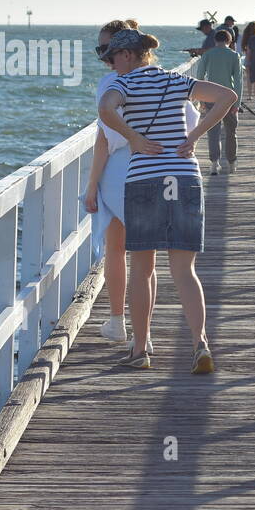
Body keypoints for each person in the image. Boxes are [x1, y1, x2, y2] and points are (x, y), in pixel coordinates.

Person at [97, 27, 237, 373]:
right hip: (185, 176)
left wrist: (133, 138)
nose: (111, 65)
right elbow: (227, 96)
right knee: (185, 270)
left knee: (142, 270)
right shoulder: (176, 82)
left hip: (144, 178)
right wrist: (194, 136)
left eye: (113, 57)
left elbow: (104, 108)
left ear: (127, 55)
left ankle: (141, 349)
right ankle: (200, 344)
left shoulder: (123, 84)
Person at [83, 18, 155, 352]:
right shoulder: (159, 80)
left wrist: (92, 185)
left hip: (119, 171)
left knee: (116, 249)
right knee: (146, 259)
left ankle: (117, 322)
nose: (103, 57)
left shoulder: (111, 83)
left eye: (105, 49)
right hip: (153, 167)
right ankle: (145, 335)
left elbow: (104, 139)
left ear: (120, 51)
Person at [198, 29, 244, 175]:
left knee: (213, 131)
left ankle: (214, 163)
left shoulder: (207, 54)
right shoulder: (234, 55)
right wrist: (237, 103)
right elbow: (238, 81)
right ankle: (232, 162)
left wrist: (201, 99)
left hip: (211, 96)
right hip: (229, 97)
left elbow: (200, 77)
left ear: (215, 40)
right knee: (231, 131)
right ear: (229, 41)